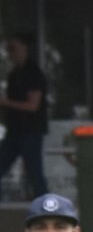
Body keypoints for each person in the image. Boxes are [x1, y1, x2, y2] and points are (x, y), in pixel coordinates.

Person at [0, 33, 49, 200]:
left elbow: (33, 105)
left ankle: (47, 209)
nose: (10, 53)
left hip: (30, 131)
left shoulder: (33, 73)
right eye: (8, 49)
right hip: (15, 131)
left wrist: (6, 103)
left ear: (24, 48)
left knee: (35, 173)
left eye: (13, 48)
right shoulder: (14, 75)